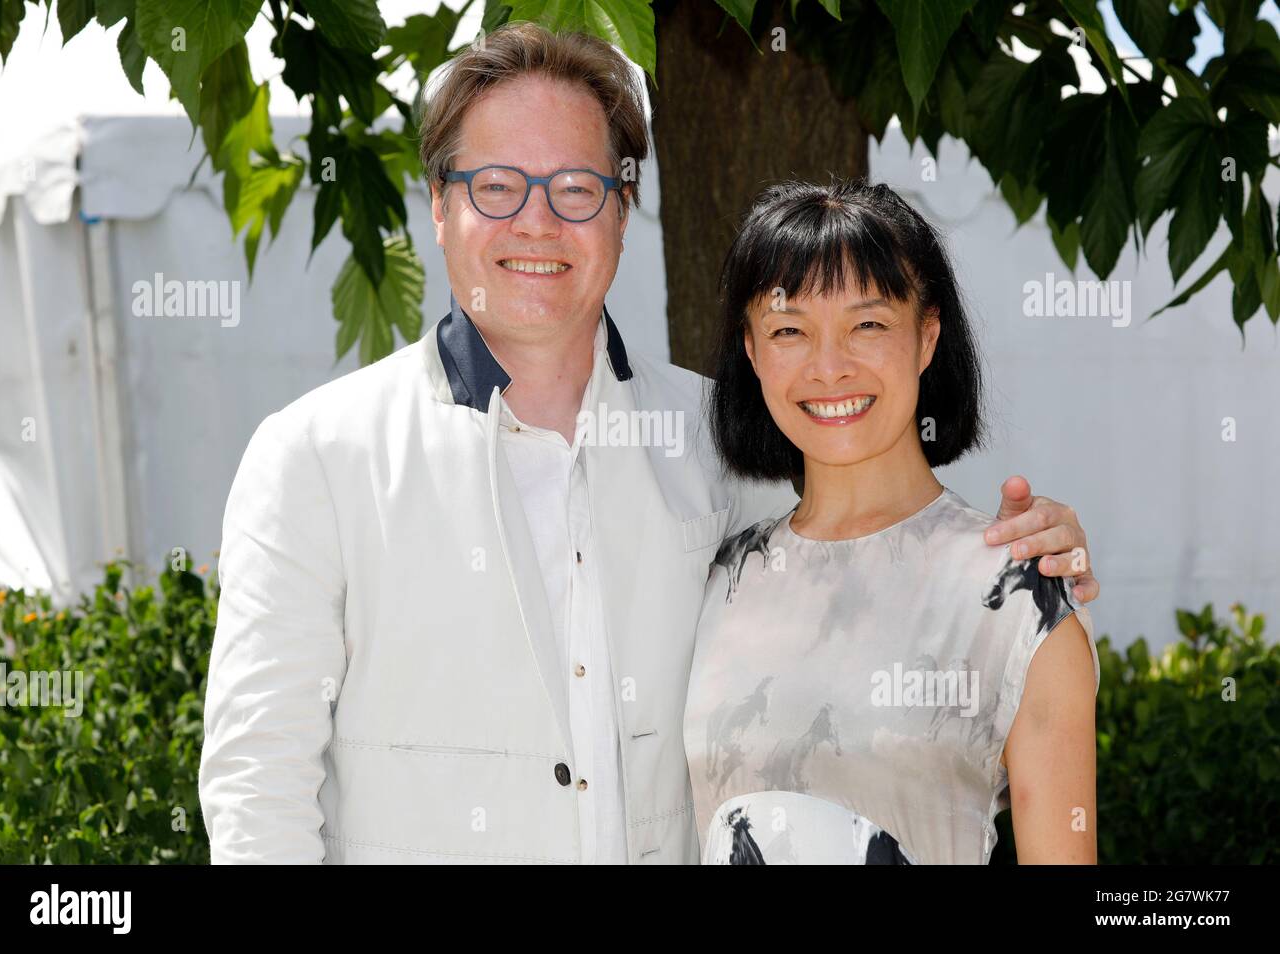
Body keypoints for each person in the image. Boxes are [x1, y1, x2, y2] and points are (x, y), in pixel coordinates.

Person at [198, 23, 1100, 865]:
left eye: (578, 188)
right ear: (439, 204)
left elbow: (870, 553)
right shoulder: (315, 459)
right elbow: (256, 790)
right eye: (497, 186)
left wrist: (1031, 559)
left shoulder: (721, 449)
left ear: (624, 211)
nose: (538, 223)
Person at [684, 179, 1099, 865]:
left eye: (867, 324)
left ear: (927, 336)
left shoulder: (1018, 592)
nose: (829, 367)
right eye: (790, 330)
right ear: (752, 351)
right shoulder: (716, 578)